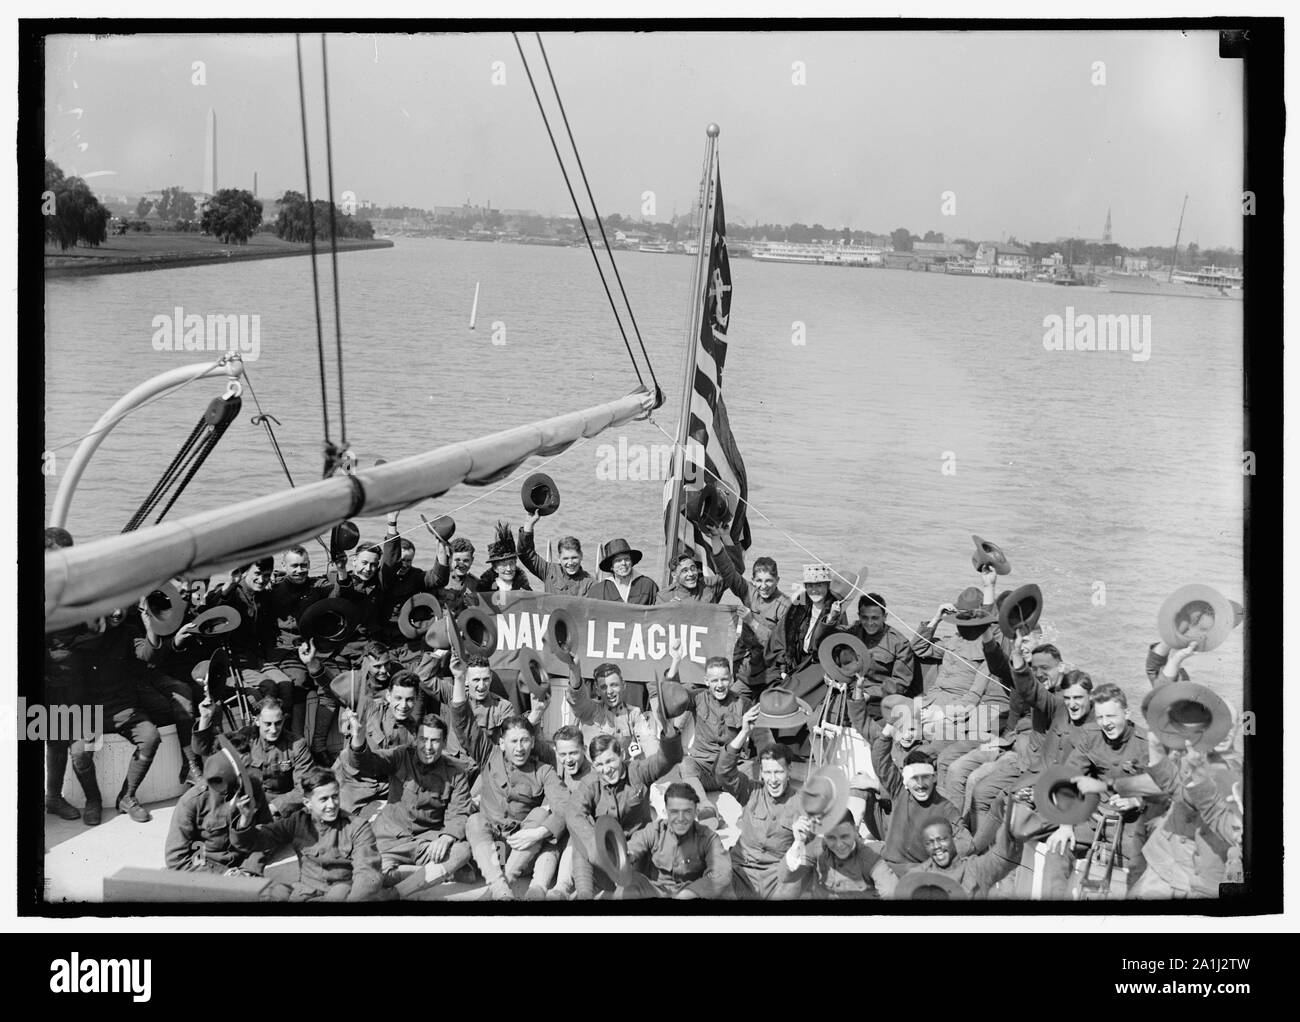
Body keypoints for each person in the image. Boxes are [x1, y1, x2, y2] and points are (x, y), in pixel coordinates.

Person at [450, 664, 569, 901]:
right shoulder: (489, 754)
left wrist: (538, 833)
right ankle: (501, 890)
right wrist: (459, 679)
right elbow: (464, 726)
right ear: (502, 743)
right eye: (513, 741)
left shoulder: (543, 770)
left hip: (521, 848)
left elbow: (565, 805)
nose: (520, 748)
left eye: (525, 741)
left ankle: (499, 887)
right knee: (474, 820)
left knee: (539, 814)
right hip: (491, 847)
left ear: (533, 743)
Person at [340, 711, 474, 899]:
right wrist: (359, 738)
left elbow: (459, 811)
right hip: (390, 841)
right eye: (423, 739)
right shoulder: (401, 755)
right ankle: (436, 873)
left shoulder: (456, 772)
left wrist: (447, 836)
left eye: (435, 741)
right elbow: (368, 763)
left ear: (444, 743)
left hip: (427, 843)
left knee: (462, 851)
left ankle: (397, 893)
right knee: (371, 876)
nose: (428, 747)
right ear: (415, 740)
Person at [1043, 683, 1155, 897]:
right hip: (1094, 821)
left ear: (1127, 713)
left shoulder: (1146, 743)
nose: (1105, 723)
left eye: (1111, 716)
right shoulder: (1090, 735)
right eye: (1101, 717)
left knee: (1150, 869)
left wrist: (1138, 801)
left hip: (1131, 828)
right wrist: (1066, 826)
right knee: (1057, 848)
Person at [910, 571, 1015, 794]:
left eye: (967, 616)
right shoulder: (953, 640)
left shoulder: (989, 648)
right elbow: (919, 648)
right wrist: (937, 618)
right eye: (960, 615)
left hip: (958, 709)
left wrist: (989, 587)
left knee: (925, 742)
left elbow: (975, 694)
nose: (962, 622)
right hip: (933, 701)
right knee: (895, 713)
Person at [566, 712, 683, 899]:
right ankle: (584, 894)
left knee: (628, 891)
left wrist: (670, 733)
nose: (606, 769)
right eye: (599, 764)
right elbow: (574, 813)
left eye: (610, 761)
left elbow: (666, 760)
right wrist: (593, 844)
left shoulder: (637, 771)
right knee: (579, 837)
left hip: (636, 852)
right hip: (607, 854)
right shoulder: (591, 782)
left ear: (621, 754)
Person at [231, 767, 386, 902]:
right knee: (269, 893)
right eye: (324, 799)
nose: (331, 805)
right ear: (307, 803)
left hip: (344, 893)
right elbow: (256, 841)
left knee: (339, 893)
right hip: (306, 892)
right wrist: (246, 819)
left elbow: (367, 874)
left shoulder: (357, 827)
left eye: (335, 796)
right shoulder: (297, 822)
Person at [866, 710, 972, 881]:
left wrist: (938, 861)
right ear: (906, 781)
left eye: (926, 778)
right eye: (914, 779)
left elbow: (966, 842)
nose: (921, 785)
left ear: (935, 778)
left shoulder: (946, 808)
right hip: (887, 863)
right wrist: (888, 730)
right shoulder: (898, 789)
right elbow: (880, 760)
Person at [715, 705, 803, 899]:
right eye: (768, 773)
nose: (773, 780)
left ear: (789, 770)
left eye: (778, 772)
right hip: (740, 871)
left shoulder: (802, 803)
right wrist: (745, 732)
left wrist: (802, 841)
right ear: (761, 773)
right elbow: (723, 773)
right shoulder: (751, 791)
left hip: (777, 878)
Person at [165, 731, 273, 875]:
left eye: (248, 766)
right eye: (241, 768)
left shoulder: (253, 787)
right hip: (205, 870)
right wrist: (223, 874)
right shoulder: (192, 801)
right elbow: (177, 858)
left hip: (243, 868)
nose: (247, 774)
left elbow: (266, 834)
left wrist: (249, 871)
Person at [702, 525, 790, 696]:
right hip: (745, 667)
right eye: (759, 581)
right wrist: (715, 539)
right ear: (753, 580)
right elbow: (729, 572)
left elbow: (778, 646)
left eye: (769, 581)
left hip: (772, 671)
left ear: (778, 580)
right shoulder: (749, 592)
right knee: (733, 701)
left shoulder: (784, 606)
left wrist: (752, 622)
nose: (763, 586)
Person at [193, 695, 314, 818]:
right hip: (244, 806)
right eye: (267, 724)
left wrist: (273, 807)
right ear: (256, 720)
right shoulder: (245, 737)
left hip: (280, 811)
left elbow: (304, 787)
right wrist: (205, 718)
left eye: (278, 723)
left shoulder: (297, 744)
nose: (273, 730)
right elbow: (204, 749)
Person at [664, 644, 752, 798]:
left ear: (731, 679)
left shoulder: (743, 703)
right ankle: (705, 808)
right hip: (703, 769)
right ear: (706, 681)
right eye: (714, 680)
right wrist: (676, 661)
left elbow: (761, 734)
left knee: (752, 768)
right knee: (686, 765)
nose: (719, 685)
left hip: (730, 770)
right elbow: (675, 695)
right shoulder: (697, 697)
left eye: (724, 679)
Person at [621, 782, 733, 899]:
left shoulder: (708, 838)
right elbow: (634, 846)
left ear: (695, 812)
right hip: (654, 891)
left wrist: (689, 893)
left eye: (687, 812)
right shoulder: (654, 831)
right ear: (665, 812)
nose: (680, 819)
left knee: (724, 888)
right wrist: (628, 856)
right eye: (674, 812)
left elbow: (722, 871)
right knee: (628, 883)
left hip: (690, 894)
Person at [911, 792, 1024, 898]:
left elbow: (1001, 858)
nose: (937, 846)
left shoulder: (974, 868)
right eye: (930, 842)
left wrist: (1010, 813)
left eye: (942, 839)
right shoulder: (919, 875)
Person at [779, 810, 895, 899]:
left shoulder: (875, 853)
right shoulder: (818, 849)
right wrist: (798, 841)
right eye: (832, 838)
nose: (839, 845)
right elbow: (787, 877)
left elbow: (889, 892)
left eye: (844, 836)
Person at [840, 592, 918, 719]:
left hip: (878, 700)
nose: (869, 623)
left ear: (885, 616)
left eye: (875, 618)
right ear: (859, 616)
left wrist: (869, 694)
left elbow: (900, 684)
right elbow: (829, 640)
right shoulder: (853, 631)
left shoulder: (899, 643)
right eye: (865, 617)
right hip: (848, 692)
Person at [564, 657, 658, 755]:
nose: (609, 692)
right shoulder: (591, 710)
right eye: (603, 687)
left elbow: (648, 741)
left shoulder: (634, 713)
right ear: (597, 691)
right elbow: (577, 699)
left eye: (614, 685)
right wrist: (574, 669)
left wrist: (656, 762)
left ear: (623, 685)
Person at [545, 724, 593, 900]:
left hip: (581, 833)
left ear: (584, 750)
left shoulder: (593, 774)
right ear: (556, 752)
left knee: (577, 828)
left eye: (573, 753)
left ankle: (562, 888)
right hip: (560, 828)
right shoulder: (556, 768)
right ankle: (539, 885)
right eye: (563, 754)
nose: (568, 759)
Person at [517, 511, 592, 596]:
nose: (570, 563)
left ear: (581, 556)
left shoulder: (590, 583)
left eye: (574, 558)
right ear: (559, 558)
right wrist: (529, 525)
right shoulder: (549, 571)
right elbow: (525, 554)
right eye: (565, 558)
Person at [587, 538, 659, 604]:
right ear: (611, 566)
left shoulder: (648, 585)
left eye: (627, 559)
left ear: (631, 562)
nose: (623, 563)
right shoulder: (598, 591)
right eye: (618, 560)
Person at [476, 521, 533, 600]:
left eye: (511, 563)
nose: (509, 569)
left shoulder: (524, 590)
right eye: (503, 565)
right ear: (495, 568)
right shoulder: (483, 590)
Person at [658, 551, 727, 604]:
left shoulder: (709, 584)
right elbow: (655, 619)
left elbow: (730, 573)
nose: (691, 574)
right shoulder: (664, 597)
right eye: (684, 571)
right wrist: (667, 609)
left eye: (693, 568)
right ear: (674, 575)